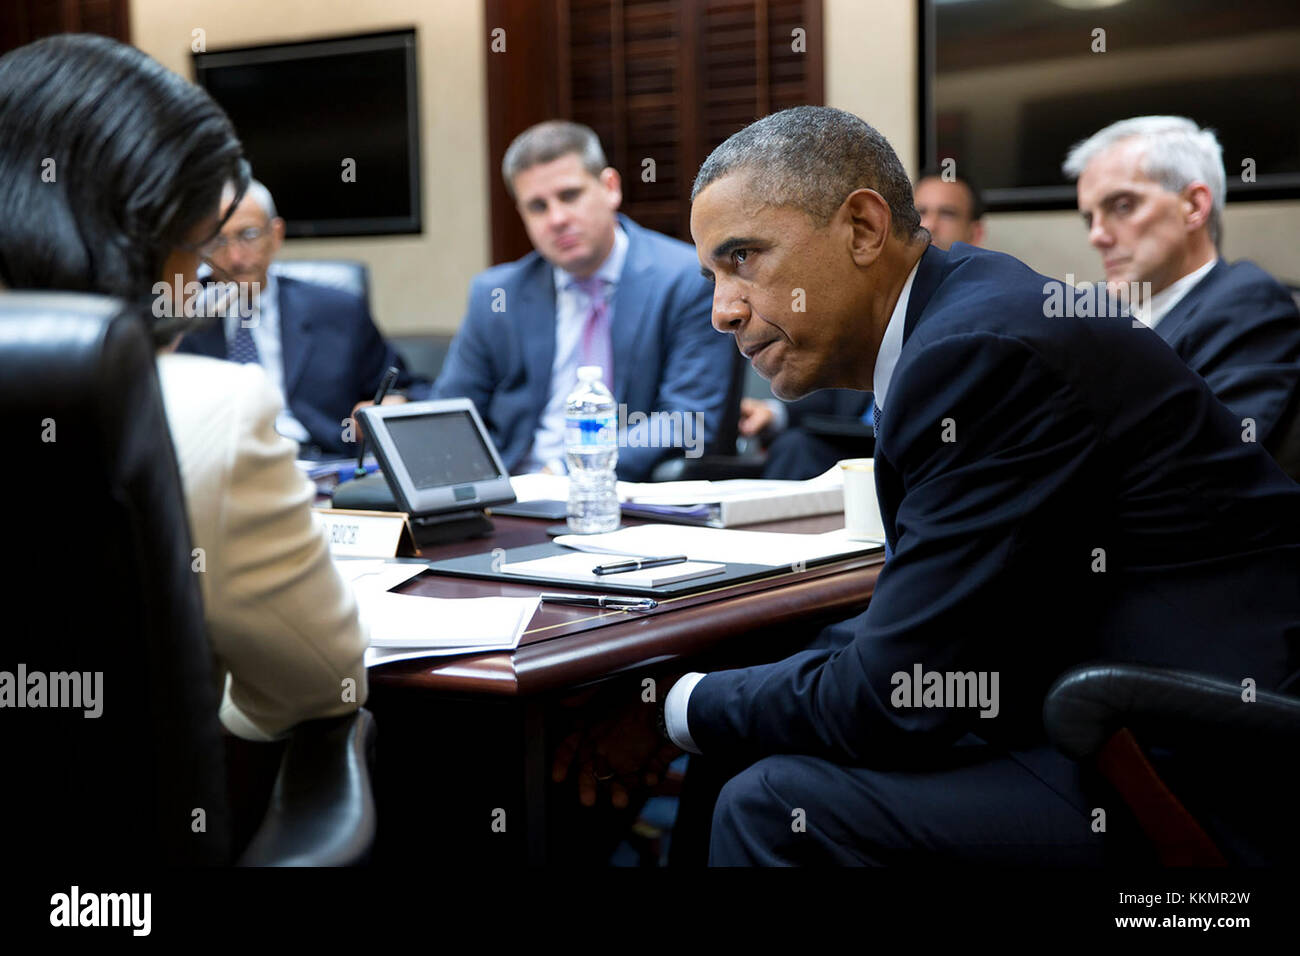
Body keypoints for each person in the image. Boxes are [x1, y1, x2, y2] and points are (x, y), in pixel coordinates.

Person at [559, 106, 1300, 865]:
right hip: (1101, 702)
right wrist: (698, 703)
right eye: (711, 275)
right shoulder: (960, 316)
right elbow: (928, 624)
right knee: (749, 741)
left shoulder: (974, 353)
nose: (723, 310)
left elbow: (895, 691)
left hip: (1197, 759)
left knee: (771, 805)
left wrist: (672, 709)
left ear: (862, 228)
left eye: (743, 257)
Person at [0, 34, 367, 742]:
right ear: (130, 241)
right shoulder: (205, 409)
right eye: (199, 246)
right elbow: (323, 681)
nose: (204, 278)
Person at [417, 120, 733, 481]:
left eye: (569, 196)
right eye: (537, 206)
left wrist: (569, 471)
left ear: (610, 187)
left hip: (619, 491)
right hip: (510, 494)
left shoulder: (686, 279)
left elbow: (687, 421)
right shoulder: (496, 295)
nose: (557, 219)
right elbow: (448, 415)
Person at [1065, 116, 1300, 465]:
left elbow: (1205, 469)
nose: (1096, 236)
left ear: (1193, 206)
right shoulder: (1090, 306)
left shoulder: (1248, 305)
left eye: (1122, 205)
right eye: (1089, 218)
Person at [741, 166, 987, 479]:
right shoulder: (871, 292)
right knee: (795, 446)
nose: (931, 224)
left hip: (923, 451)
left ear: (975, 233)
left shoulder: (979, 310)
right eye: (921, 212)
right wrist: (773, 414)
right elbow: (829, 390)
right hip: (849, 445)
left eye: (947, 214)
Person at [177, 178, 421, 458]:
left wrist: (392, 404)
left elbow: (409, 388)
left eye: (248, 235)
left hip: (320, 466)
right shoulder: (184, 319)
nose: (234, 257)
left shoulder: (338, 311)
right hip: (221, 467)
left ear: (276, 234)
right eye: (218, 240)